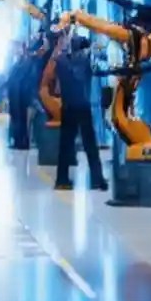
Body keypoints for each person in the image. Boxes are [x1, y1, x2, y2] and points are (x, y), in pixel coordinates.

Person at [54, 34, 107, 191]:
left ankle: (61, 180)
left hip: (67, 107)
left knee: (65, 146)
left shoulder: (61, 61)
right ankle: (97, 180)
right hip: (83, 107)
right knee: (90, 145)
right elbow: (100, 69)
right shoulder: (86, 60)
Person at [4, 42, 33, 149]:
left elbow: (20, 79)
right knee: (17, 118)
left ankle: (21, 142)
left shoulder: (26, 62)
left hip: (20, 95)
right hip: (15, 94)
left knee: (20, 119)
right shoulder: (19, 62)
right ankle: (18, 141)